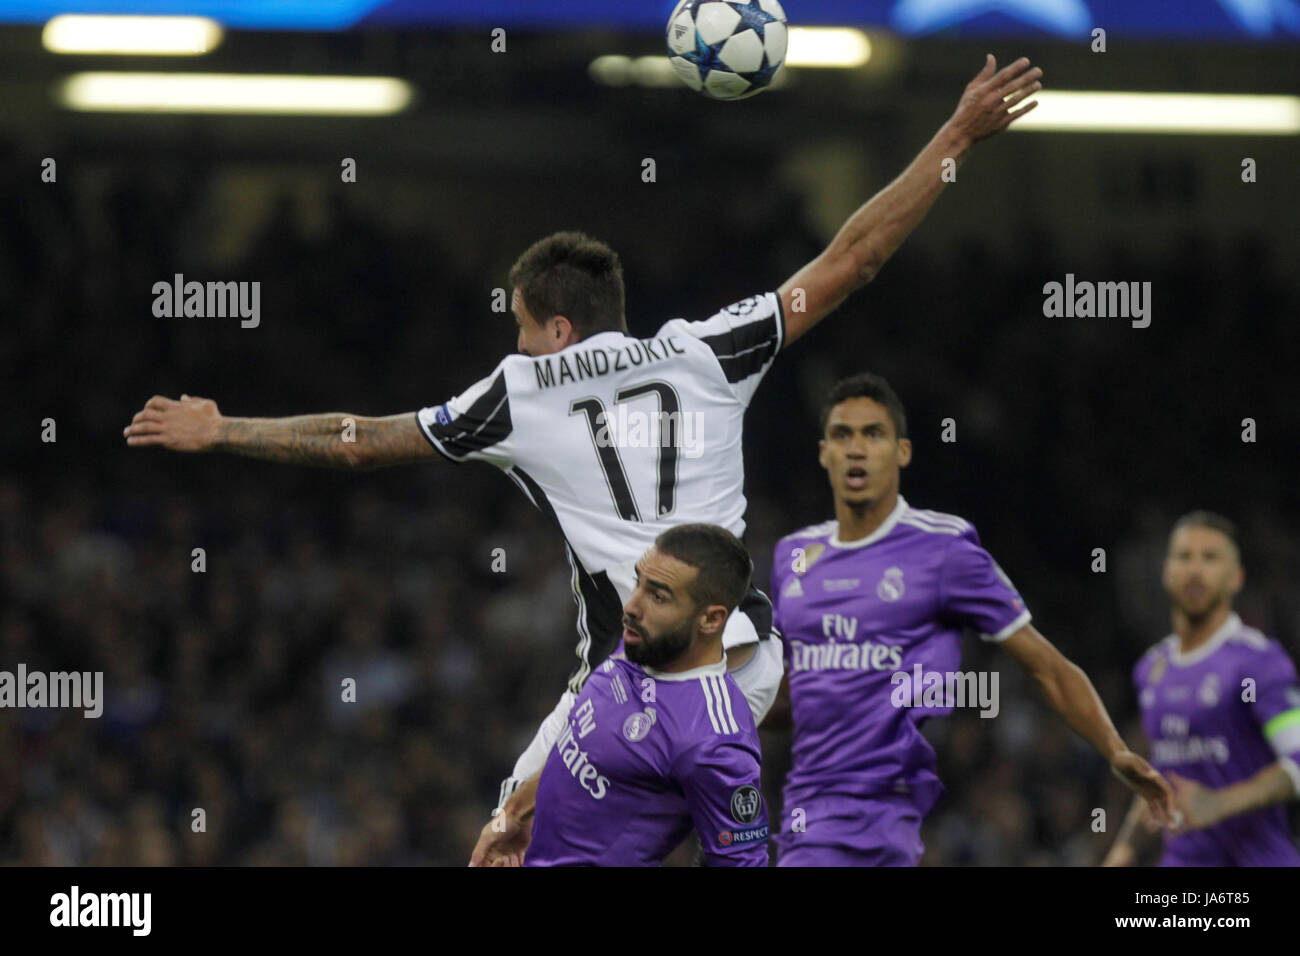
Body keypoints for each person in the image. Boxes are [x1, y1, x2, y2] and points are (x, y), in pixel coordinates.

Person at [121, 55, 1044, 858]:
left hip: (631, 693)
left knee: (506, 848)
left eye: (522, 330)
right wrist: (957, 133)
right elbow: (855, 259)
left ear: (557, 330)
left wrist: (230, 428)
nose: (516, 346)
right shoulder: (710, 351)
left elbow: (362, 444)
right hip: (747, 667)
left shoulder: (520, 391)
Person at [767, 372, 1174, 866]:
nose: (856, 449)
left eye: (873, 434)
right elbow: (797, 693)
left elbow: (1046, 666)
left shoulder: (943, 549)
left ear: (902, 452)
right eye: (841, 435)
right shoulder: (792, 556)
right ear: (823, 453)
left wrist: (1115, 751)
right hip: (803, 816)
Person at [509, 524, 767, 866]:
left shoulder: (714, 740)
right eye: (638, 583)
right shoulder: (644, 644)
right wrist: (514, 813)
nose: (631, 606)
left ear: (710, 619)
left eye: (658, 596)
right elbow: (584, 746)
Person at [1102, 512, 1300, 866]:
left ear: (1236, 578)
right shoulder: (1151, 669)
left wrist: (1220, 802)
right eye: (1184, 556)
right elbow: (1158, 778)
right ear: (1166, 572)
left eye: (1210, 558)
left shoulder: (1258, 662)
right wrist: (1122, 853)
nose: (1195, 569)